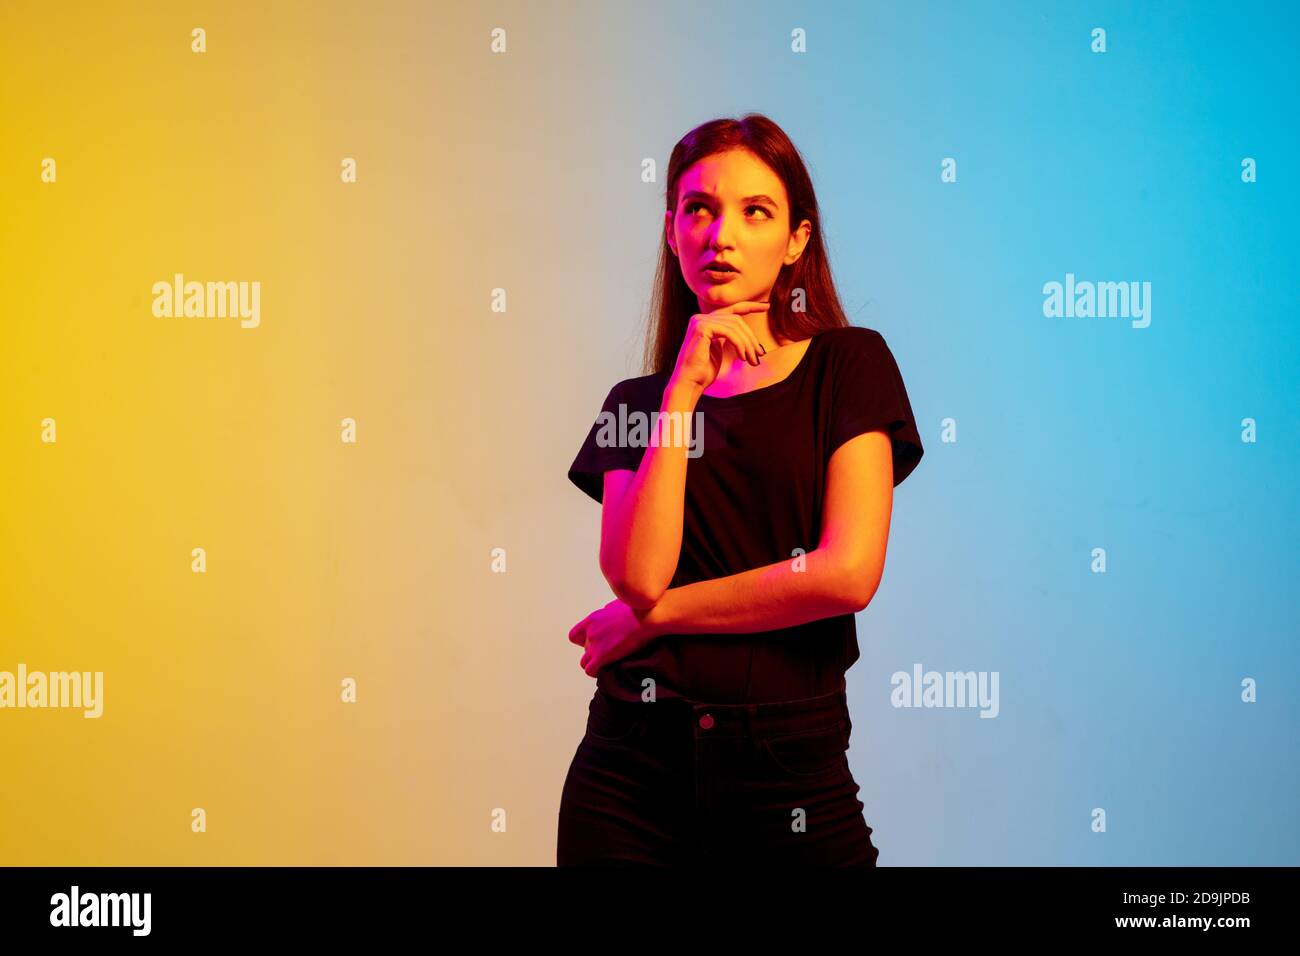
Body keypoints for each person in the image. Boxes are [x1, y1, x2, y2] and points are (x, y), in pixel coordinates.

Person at [559, 113, 924, 867]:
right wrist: (685, 389)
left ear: (795, 238)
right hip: (630, 771)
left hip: (787, 766)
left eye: (754, 211)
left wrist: (651, 623)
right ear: (672, 232)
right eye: (699, 209)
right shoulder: (639, 402)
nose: (720, 233)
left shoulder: (848, 367)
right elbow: (638, 576)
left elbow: (846, 573)